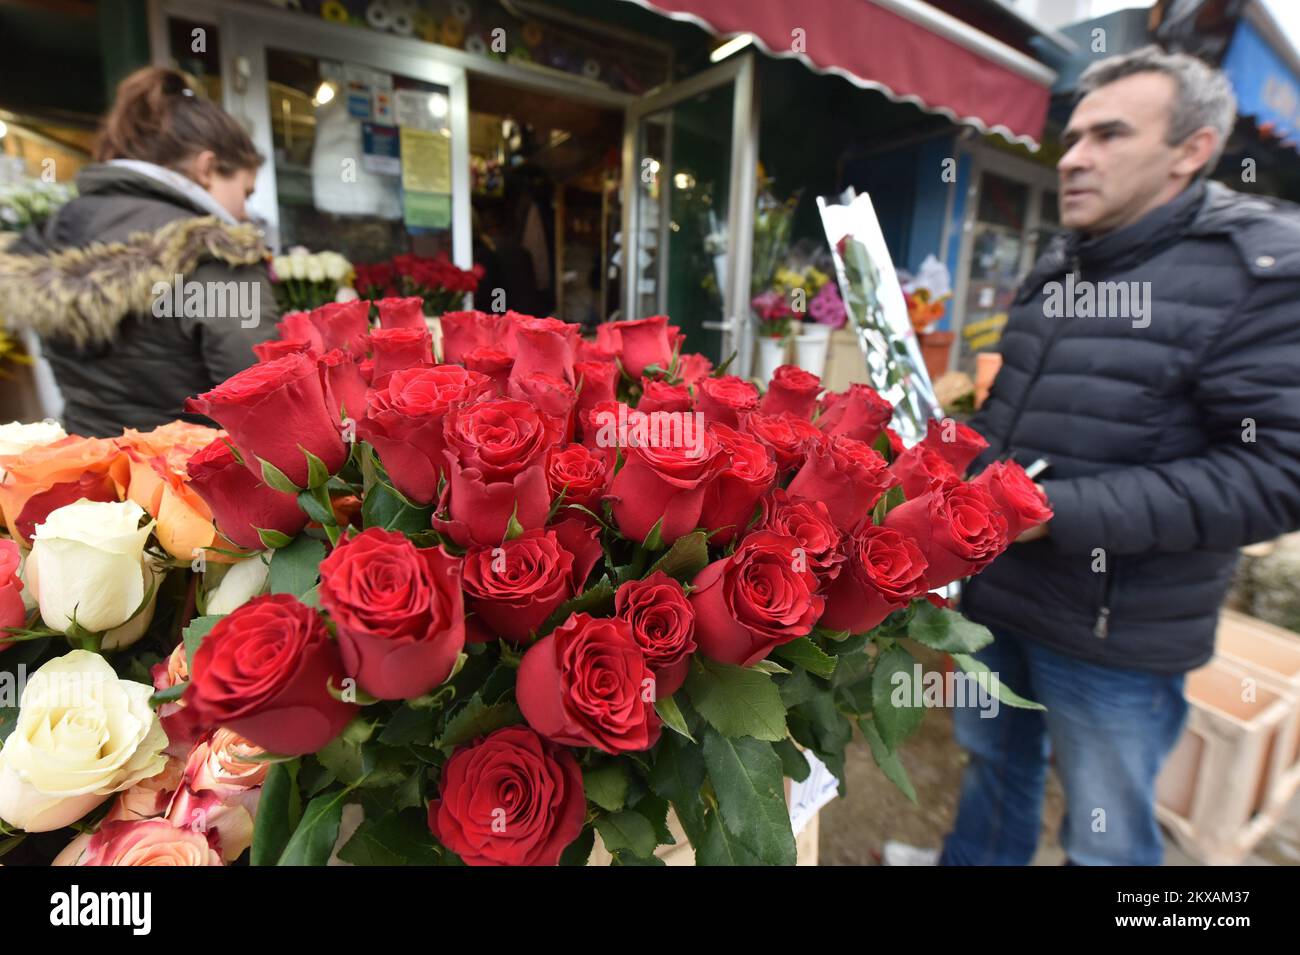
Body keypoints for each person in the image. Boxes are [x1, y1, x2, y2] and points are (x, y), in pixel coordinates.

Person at [888, 47, 1300, 866]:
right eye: (1073, 136)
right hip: (1002, 590)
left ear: (1192, 149)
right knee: (993, 762)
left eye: (1109, 136)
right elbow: (1016, 416)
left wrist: (1058, 513)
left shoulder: (1258, 268)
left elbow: (1276, 473)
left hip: (1117, 630)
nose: (1073, 157)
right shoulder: (1061, 262)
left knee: (1105, 830)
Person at [0, 67, 279, 437]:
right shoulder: (218, 252)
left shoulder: (50, 233)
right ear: (207, 168)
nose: (245, 212)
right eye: (246, 192)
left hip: (83, 463)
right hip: (189, 469)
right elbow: (263, 407)